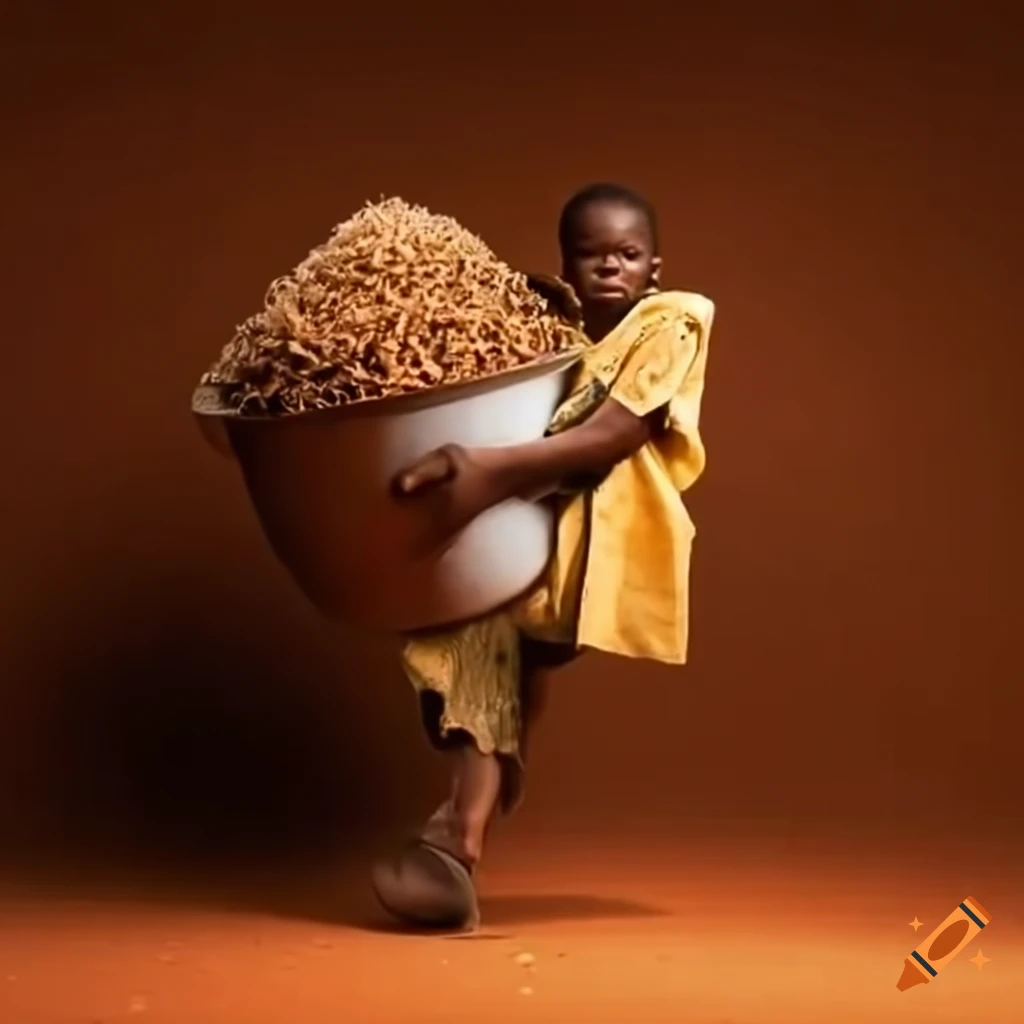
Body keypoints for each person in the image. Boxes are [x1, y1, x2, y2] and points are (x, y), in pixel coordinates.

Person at [370, 183, 715, 930]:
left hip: (591, 548)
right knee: (479, 650)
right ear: (566, 264)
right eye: (592, 255)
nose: (610, 268)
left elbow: (611, 437)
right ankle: (466, 818)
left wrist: (481, 471)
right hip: (530, 529)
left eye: (628, 254)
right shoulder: (554, 332)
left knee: (479, 636)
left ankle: (458, 839)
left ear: (654, 268)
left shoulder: (671, 320)